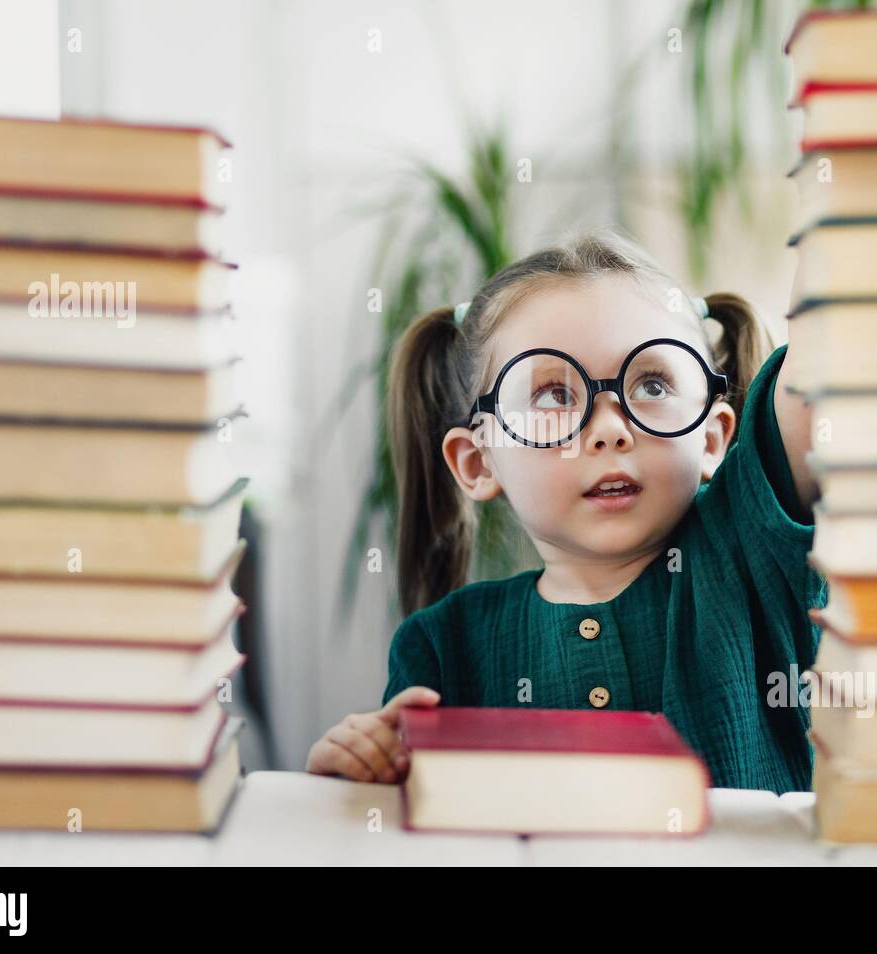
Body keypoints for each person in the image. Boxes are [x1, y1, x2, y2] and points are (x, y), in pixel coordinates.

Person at [307, 228, 823, 791]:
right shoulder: (441, 645)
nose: (608, 430)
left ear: (711, 438)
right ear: (478, 463)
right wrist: (354, 777)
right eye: (553, 395)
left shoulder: (751, 553)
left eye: (652, 383)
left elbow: (829, 343)